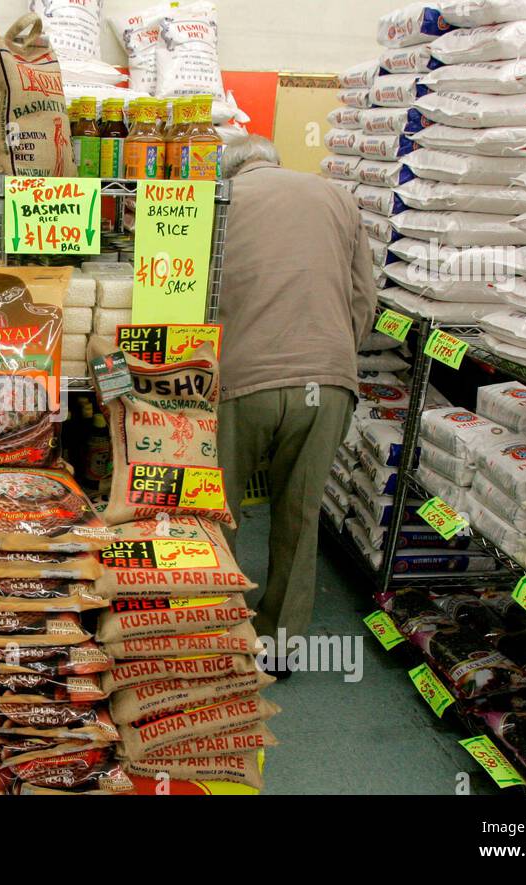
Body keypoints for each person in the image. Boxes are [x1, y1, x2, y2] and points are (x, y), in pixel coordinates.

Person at [215, 134, 377, 677]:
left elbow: (198, 294)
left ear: (232, 168)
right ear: (276, 161)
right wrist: (335, 356)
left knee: (218, 511)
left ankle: (218, 631)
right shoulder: (337, 197)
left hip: (241, 379)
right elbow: (362, 297)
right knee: (300, 512)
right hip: (327, 381)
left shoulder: (218, 199)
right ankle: (280, 645)